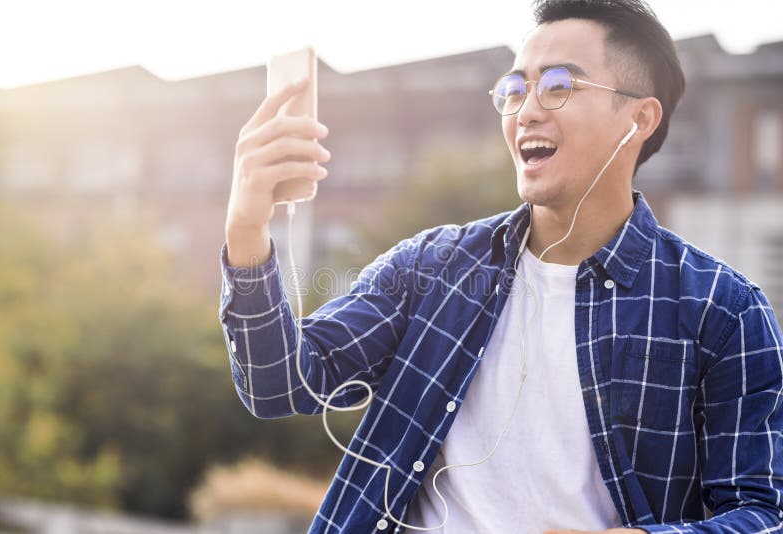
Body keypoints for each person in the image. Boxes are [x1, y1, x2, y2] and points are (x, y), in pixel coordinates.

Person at [218, 0, 783, 532]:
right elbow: (278, 385)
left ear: (638, 119)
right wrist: (246, 229)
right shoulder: (432, 267)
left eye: (559, 86)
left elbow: (762, 513)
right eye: (514, 90)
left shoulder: (721, 310)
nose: (527, 111)